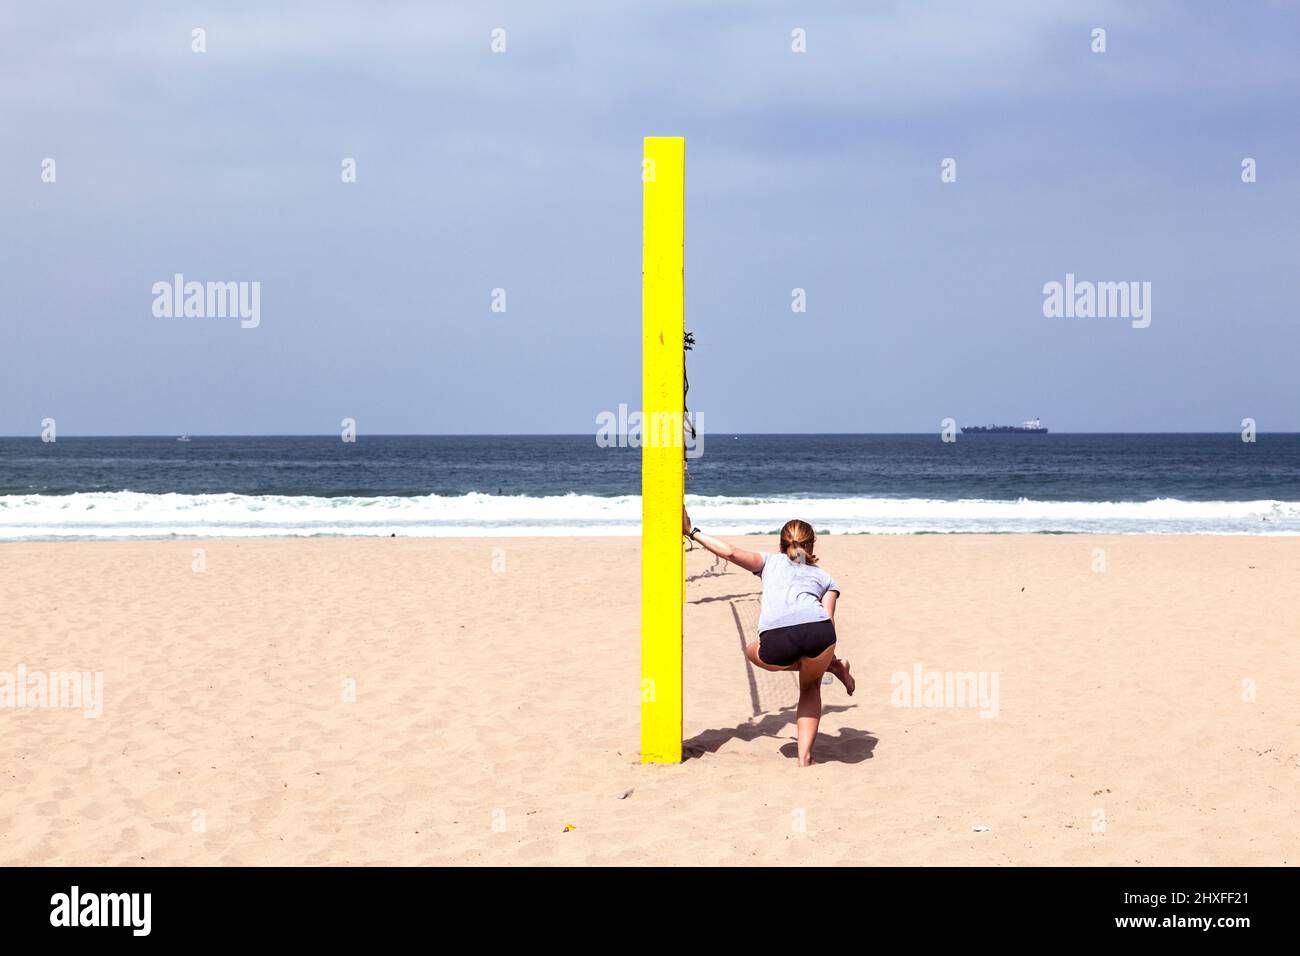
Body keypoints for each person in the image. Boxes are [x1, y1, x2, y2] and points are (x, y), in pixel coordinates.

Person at [683, 511, 853, 766]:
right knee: (810, 685)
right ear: (812, 544)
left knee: (752, 650)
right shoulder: (825, 578)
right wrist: (826, 657)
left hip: (777, 640)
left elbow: (728, 552)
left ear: (781, 544)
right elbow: (828, 622)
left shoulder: (768, 562)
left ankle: (829, 665)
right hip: (820, 633)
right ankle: (804, 758)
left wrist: (691, 531)